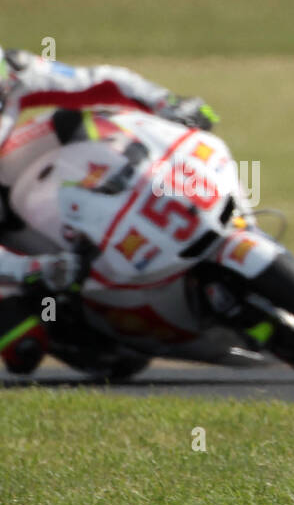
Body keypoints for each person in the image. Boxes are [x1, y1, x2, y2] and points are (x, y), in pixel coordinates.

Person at [0, 46, 215, 372]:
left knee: (75, 122)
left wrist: (166, 102)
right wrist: (32, 269)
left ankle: (166, 202)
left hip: (10, 169)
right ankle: (67, 310)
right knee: (21, 344)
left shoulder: (10, 70)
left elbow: (103, 82)